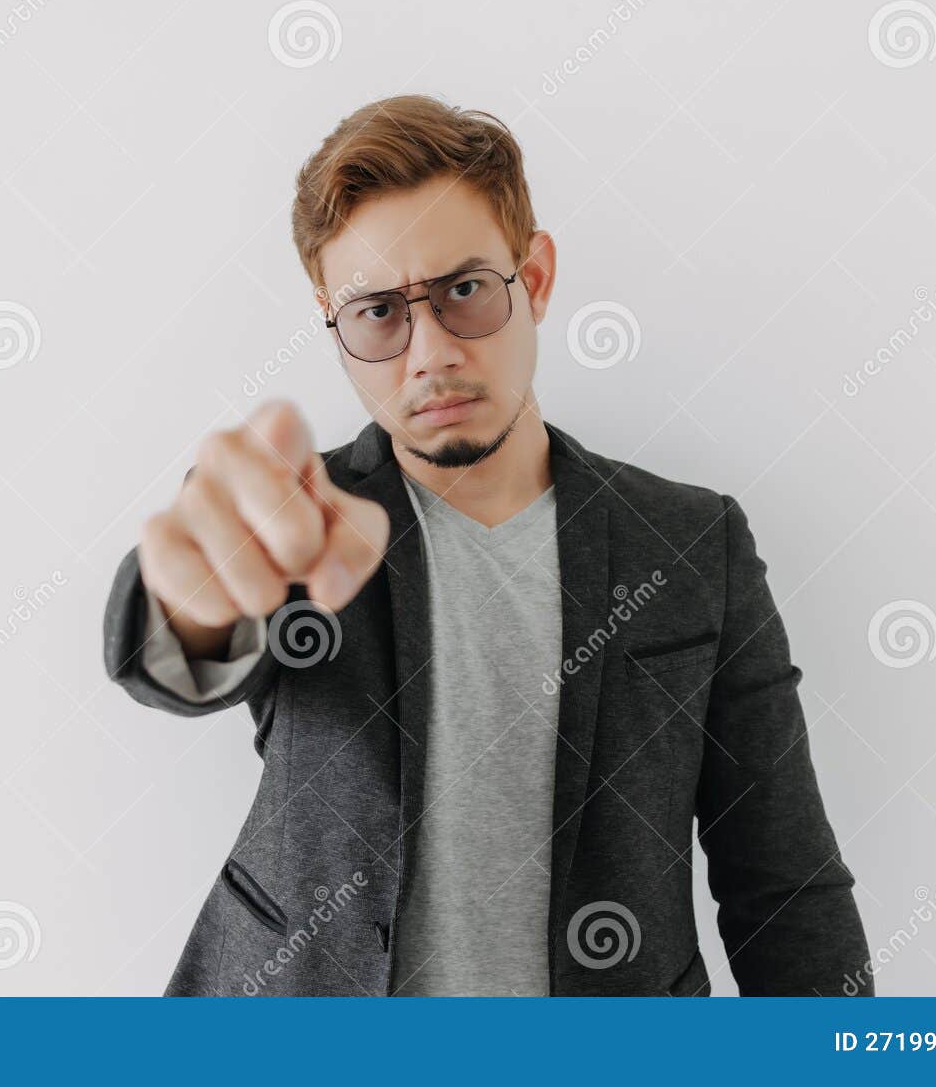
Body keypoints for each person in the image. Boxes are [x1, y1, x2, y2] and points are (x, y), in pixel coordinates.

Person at [102, 94, 872, 996]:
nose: (428, 353)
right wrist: (196, 607)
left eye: (464, 291)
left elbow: (783, 885)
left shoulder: (695, 544)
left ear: (534, 279)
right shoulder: (294, 521)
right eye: (380, 313)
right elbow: (177, 651)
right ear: (333, 322)